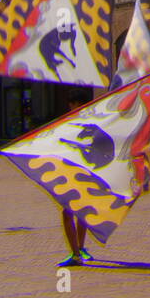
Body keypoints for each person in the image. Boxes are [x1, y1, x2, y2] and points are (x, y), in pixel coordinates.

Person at [59, 88, 94, 267]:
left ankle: (75, 253)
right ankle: (79, 248)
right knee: (81, 211)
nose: (70, 108)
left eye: (72, 105)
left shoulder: (75, 123)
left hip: (76, 173)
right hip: (85, 173)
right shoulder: (93, 122)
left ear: (77, 105)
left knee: (68, 213)